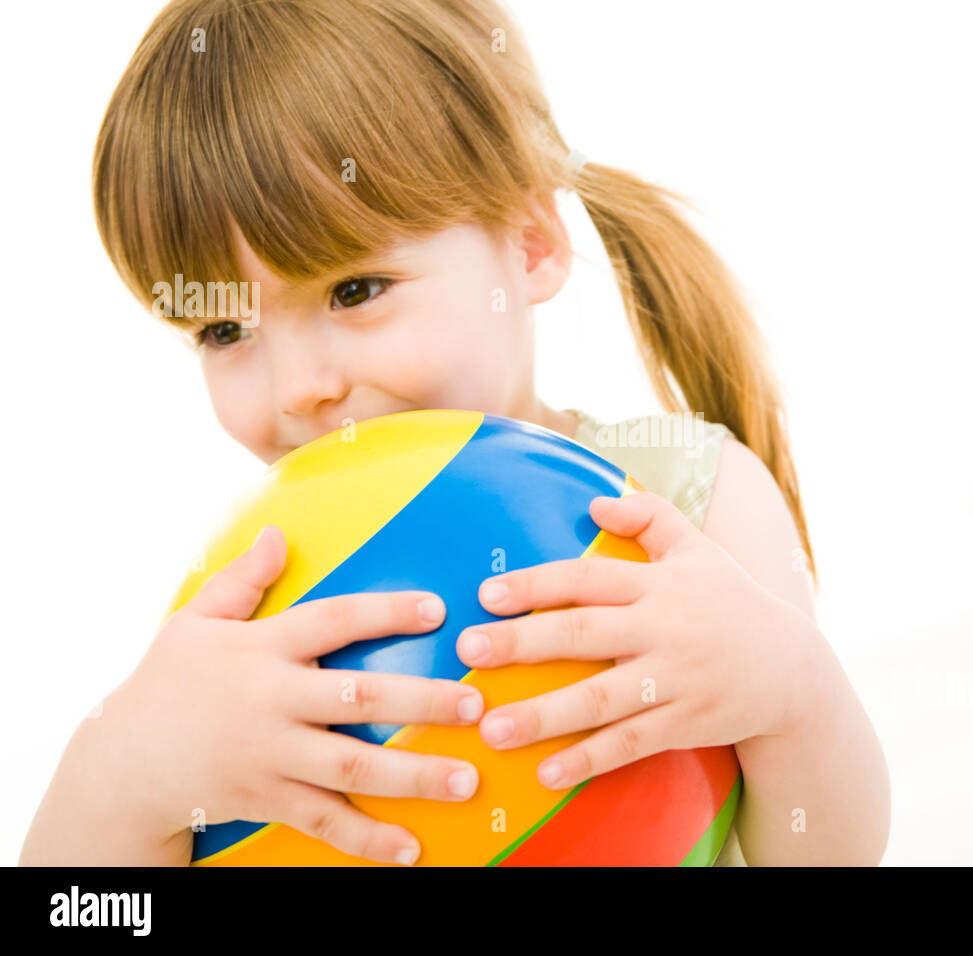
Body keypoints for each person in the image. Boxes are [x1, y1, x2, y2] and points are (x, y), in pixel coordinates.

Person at [20, 0, 888, 866]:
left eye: (354, 290)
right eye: (223, 330)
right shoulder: (256, 592)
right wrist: (123, 773)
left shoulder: (691, 500)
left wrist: (790, 690)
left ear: (531, 242)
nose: (300, 391)